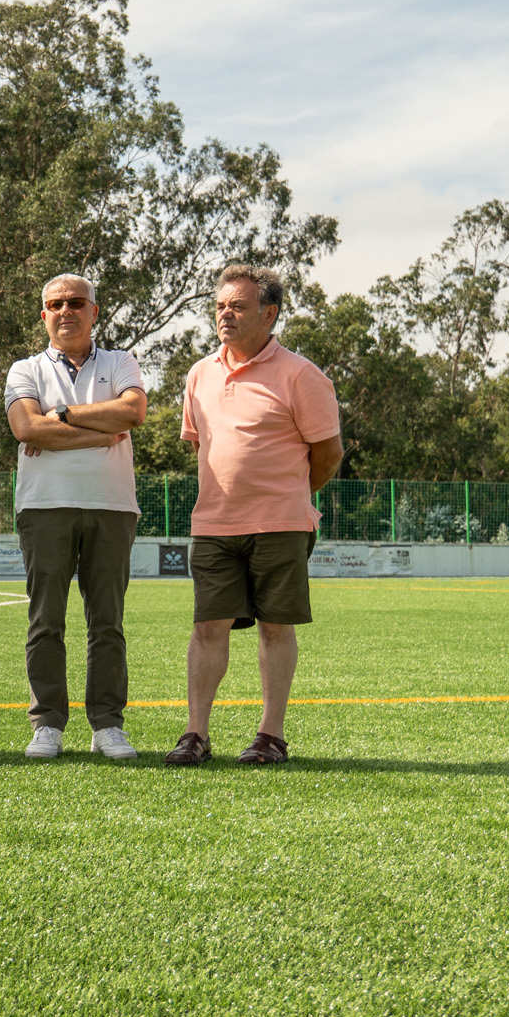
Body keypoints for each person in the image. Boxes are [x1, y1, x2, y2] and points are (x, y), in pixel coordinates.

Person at [165, 264, 343, 767]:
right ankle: (195, 734)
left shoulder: (302, 375)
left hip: (282, 524)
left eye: (238, 306)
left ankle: (271, 736)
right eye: (220, 305)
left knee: (275, 627)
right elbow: (203, 446)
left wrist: (291, 495)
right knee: (207, 628)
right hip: (214, 525)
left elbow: (328, 453)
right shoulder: (199, 374)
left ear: (269, 314)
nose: (225, 313)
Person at [4, 274, 147, 761]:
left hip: (112, 505)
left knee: (106, 622)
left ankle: (107, 724)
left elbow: (132, 414)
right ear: (43, 314)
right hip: (45, 506)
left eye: (76, 303)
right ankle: (47, 723)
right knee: (46, 621)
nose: (66, 311)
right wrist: (95, 429)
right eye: (55, 304)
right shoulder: (24, 368)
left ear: (95, 311)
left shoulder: (120, 361)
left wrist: (59, 417)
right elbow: (24, 426)